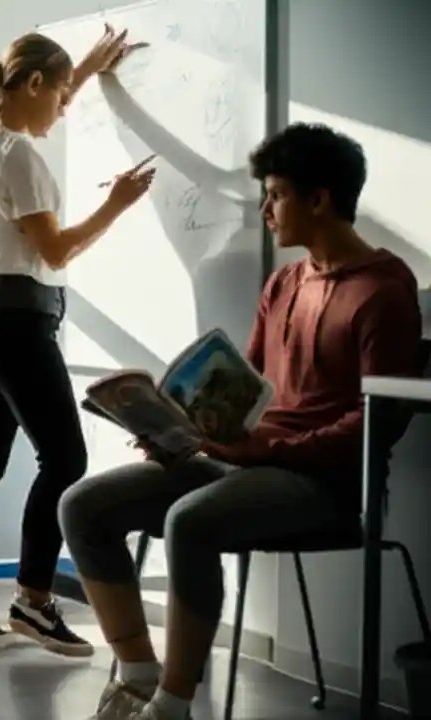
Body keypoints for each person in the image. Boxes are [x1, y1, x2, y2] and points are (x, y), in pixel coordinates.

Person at [58, 123, 422, 720]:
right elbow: (240, 388)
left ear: (319, 199)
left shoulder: (384, 289)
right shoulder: (282, 283)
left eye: (275, 194)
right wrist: (174, 430)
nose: (266, 210)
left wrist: (269, 451)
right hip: (247, 462)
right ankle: (140, 675)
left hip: (327, 483)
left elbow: (381, 422)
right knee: (83, 504)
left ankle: (172, 706)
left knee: (191, 520)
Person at [0, 26, 154, 658]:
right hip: (17, 320)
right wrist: (116, 203)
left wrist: (82, 67)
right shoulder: (19, 155)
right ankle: (33, 603)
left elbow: (44, 106)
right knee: (64, 460)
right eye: (60, 92)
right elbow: (57, 249)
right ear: (32, 83)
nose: (66, 107)